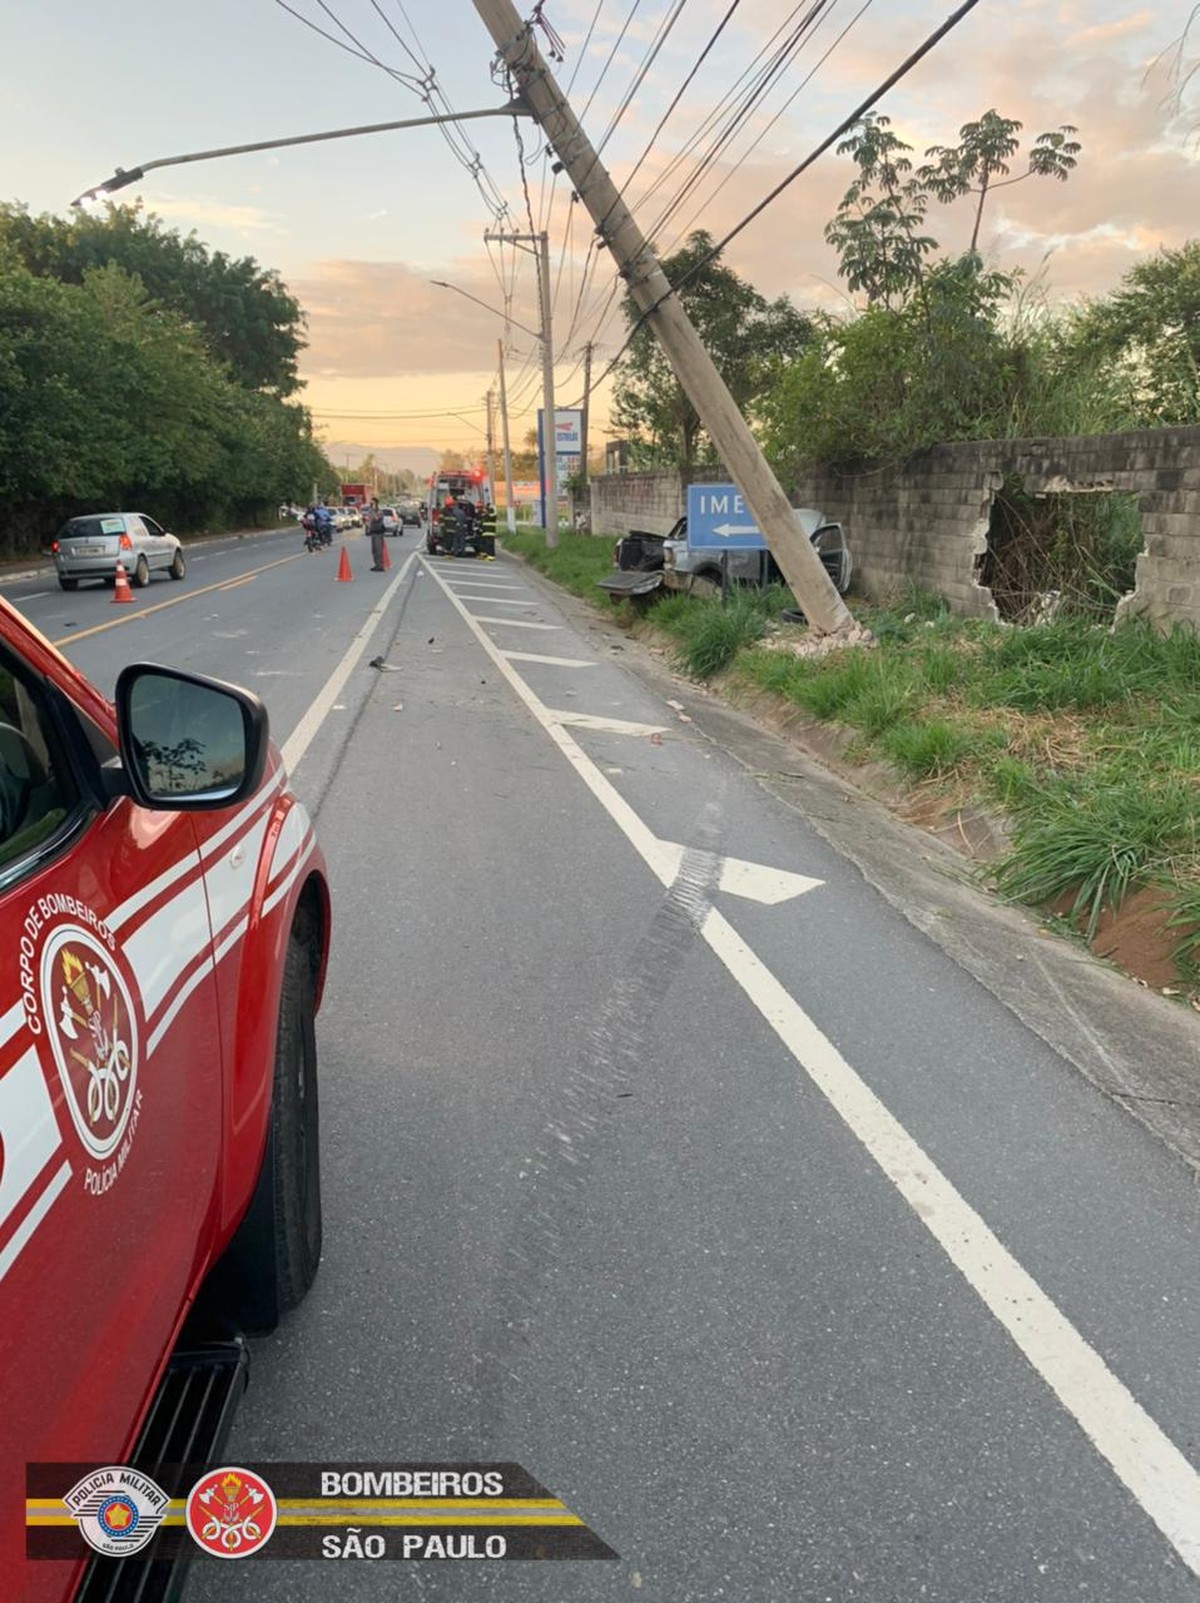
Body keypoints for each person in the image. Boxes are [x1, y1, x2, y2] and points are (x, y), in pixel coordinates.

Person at [365, 497, 387, 570]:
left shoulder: (379, 511)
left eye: (373, 503)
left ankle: (380, 565)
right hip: (373, 532)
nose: (371, 504)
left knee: (378, 550)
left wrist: (373, 510)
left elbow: (376, 518)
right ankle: (376, 564)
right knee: (374, 550)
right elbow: (369, 520)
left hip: (378, 532)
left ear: (376, 503)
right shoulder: (370, 511)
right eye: (370, 503)